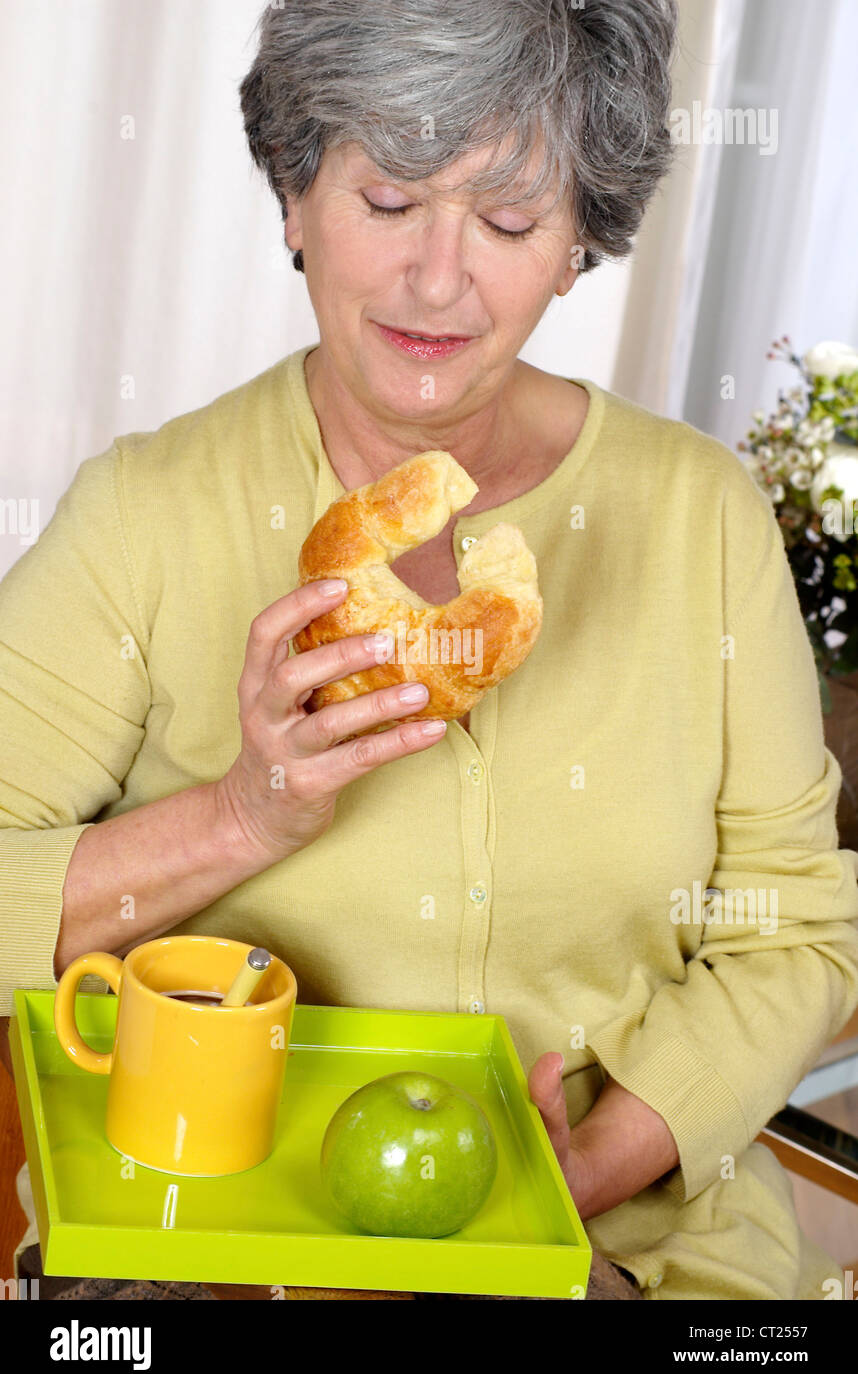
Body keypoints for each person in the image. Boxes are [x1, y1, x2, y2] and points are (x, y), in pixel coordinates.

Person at [2, 0, 856, 1303]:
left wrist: (577, 1166)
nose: (439, 277)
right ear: (294, 195)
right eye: (389, 199)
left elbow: (797, 926)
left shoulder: (699, 520)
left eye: (509, 220)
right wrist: (243, 816)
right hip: (214, 1221)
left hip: (613, 1235)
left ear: (580, 238)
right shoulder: (146, 512)